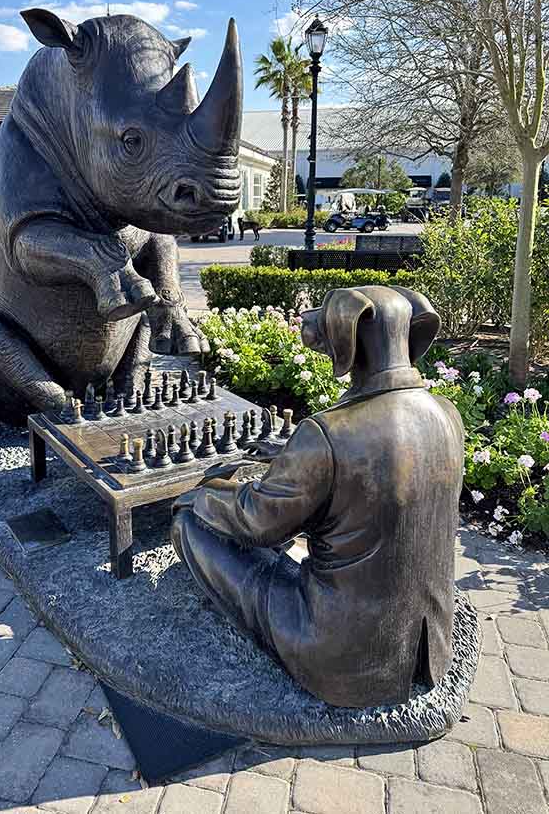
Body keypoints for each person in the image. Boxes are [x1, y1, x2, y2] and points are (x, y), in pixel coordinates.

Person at [171, 286, 464, 707]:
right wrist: (294, 454)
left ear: (349, 337)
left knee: (190, 525)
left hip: (338, 653)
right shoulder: (447, 414)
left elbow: (257, 523)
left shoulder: (327, 435)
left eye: (326, 318)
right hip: (427, 647)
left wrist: (204, 494)